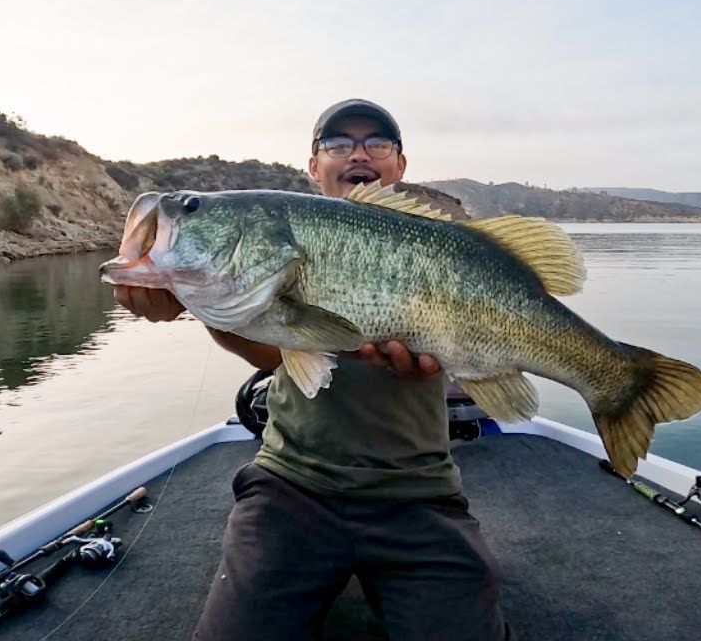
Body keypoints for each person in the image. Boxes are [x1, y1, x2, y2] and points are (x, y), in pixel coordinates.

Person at [113, 99, 508, 641]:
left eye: (377, 143)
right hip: (291, 484)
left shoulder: (435, 246)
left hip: (417, 489)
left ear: (400, 166)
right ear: (314, 167)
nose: (359, 154)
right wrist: (191, 295)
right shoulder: (285, 243)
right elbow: (275, 352)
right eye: (339, 144)